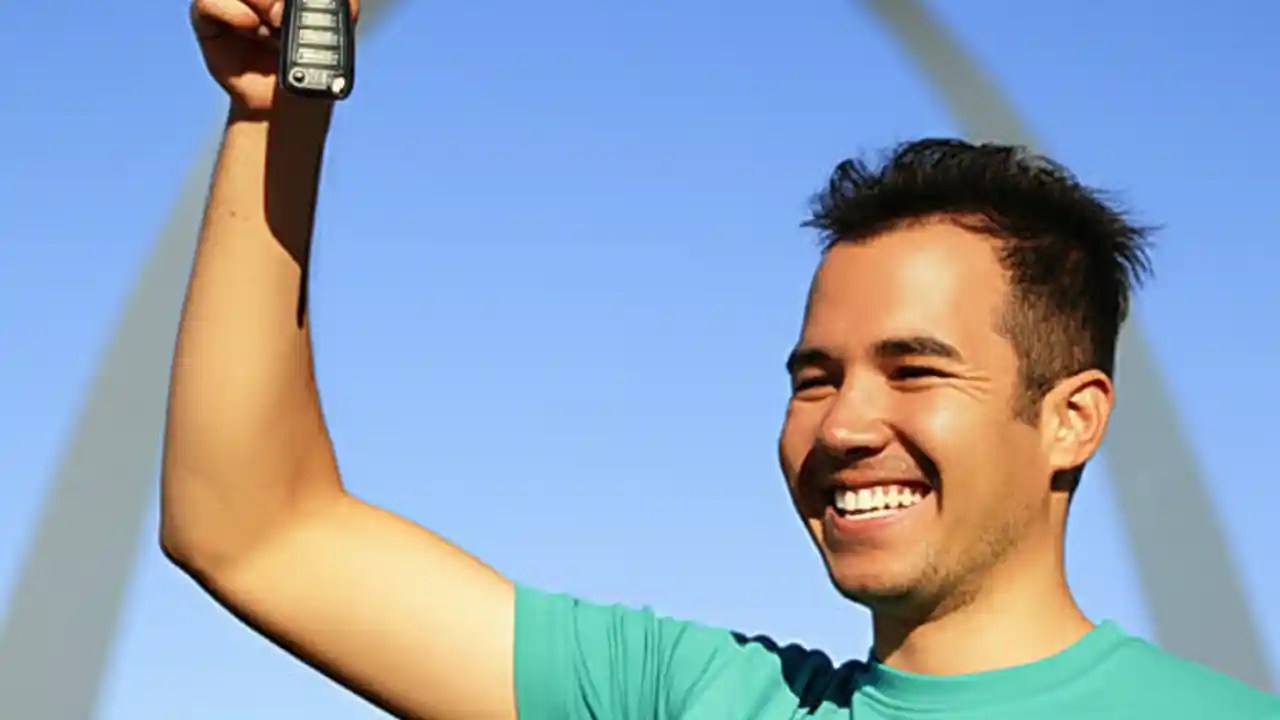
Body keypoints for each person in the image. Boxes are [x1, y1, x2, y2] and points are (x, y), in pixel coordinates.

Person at [163, 1, 1280, 718]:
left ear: (1073, 417)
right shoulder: (693, 698)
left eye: (915, 370)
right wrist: (276, 111)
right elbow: (255, 529)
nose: (841, 427)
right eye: (813, 375)